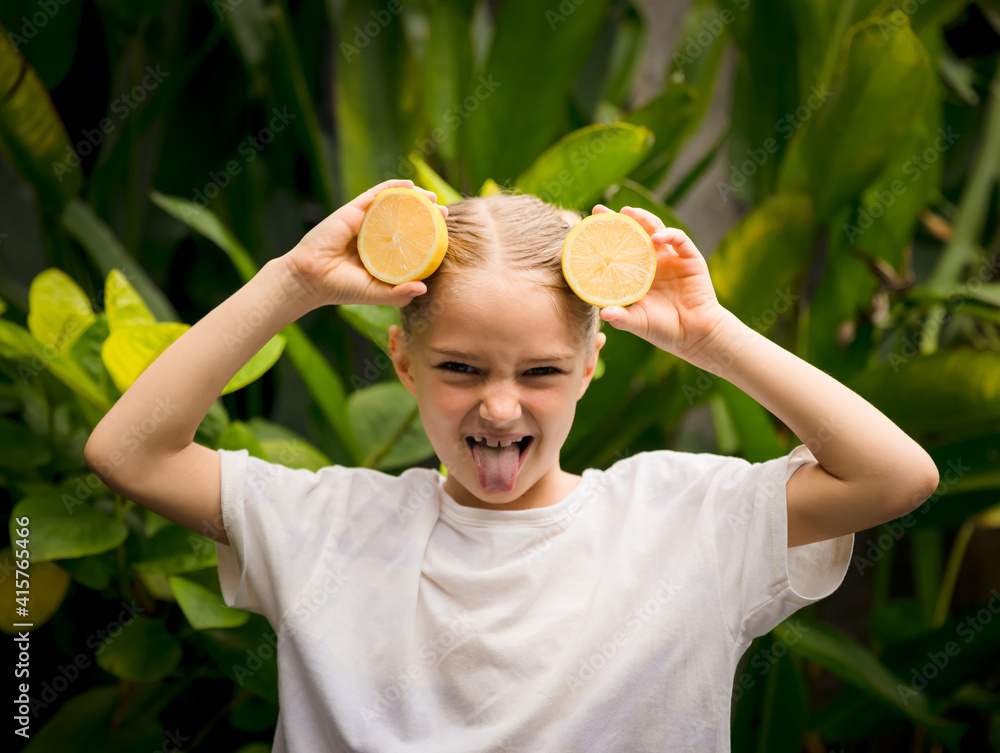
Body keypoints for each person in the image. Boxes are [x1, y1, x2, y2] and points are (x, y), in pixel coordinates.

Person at [84, 178, 941, 752]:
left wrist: (714, 337)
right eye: (461, 368)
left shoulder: (684, 522)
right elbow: (129, 451)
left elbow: (895, 477)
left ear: (591, 365)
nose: (500, 407)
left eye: (540, 372)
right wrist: (294, 279)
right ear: (405, 362)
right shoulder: (326, 526)